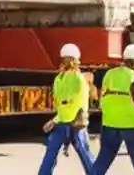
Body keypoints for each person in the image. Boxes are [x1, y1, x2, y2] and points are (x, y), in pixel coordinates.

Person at [91, 43, 134, 175]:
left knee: (102, 161)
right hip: (131, 124)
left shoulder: (109, 74)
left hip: (110, 123)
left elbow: (102, 96)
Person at [38, 43, 95, 174]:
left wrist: (58, 120)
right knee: (54, 152)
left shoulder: (68, 79)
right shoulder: (66, 79)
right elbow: (66, 104)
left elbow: (73, 103)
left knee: (81, 153)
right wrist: (55, 120)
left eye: (67, 59)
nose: (66, 62)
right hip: (68, 123)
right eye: (65, 59)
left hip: (70, 123)